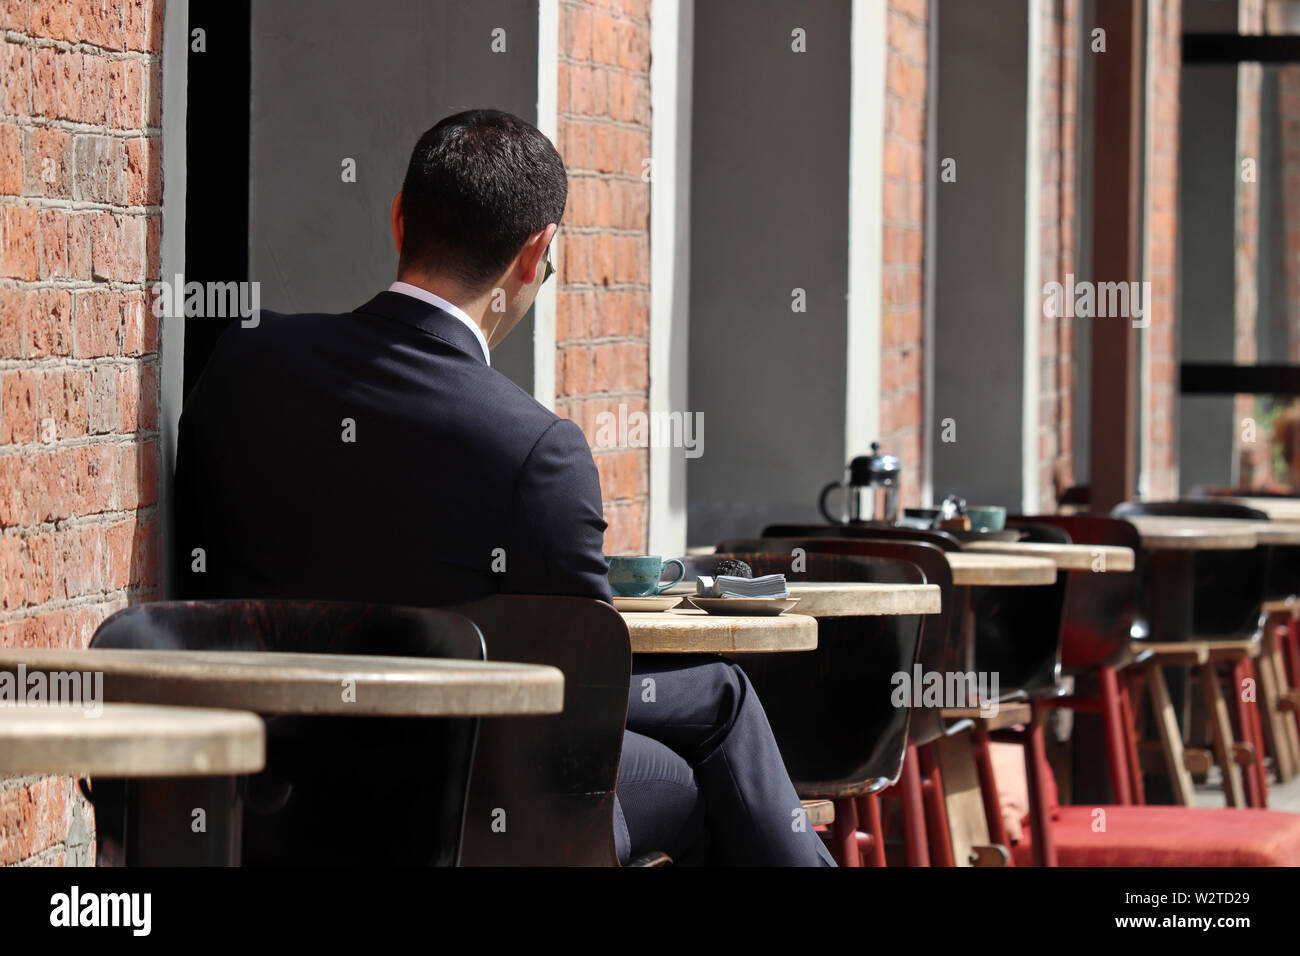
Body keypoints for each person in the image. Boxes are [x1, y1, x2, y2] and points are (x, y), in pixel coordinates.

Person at [174, 109, 834, 866]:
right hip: (456, 808)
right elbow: (582, 686)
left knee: (709, 719)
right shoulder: (534, 447)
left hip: (257, 795)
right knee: (717, 715)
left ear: (398, 219)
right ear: (536, 253)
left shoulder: (244, 359)